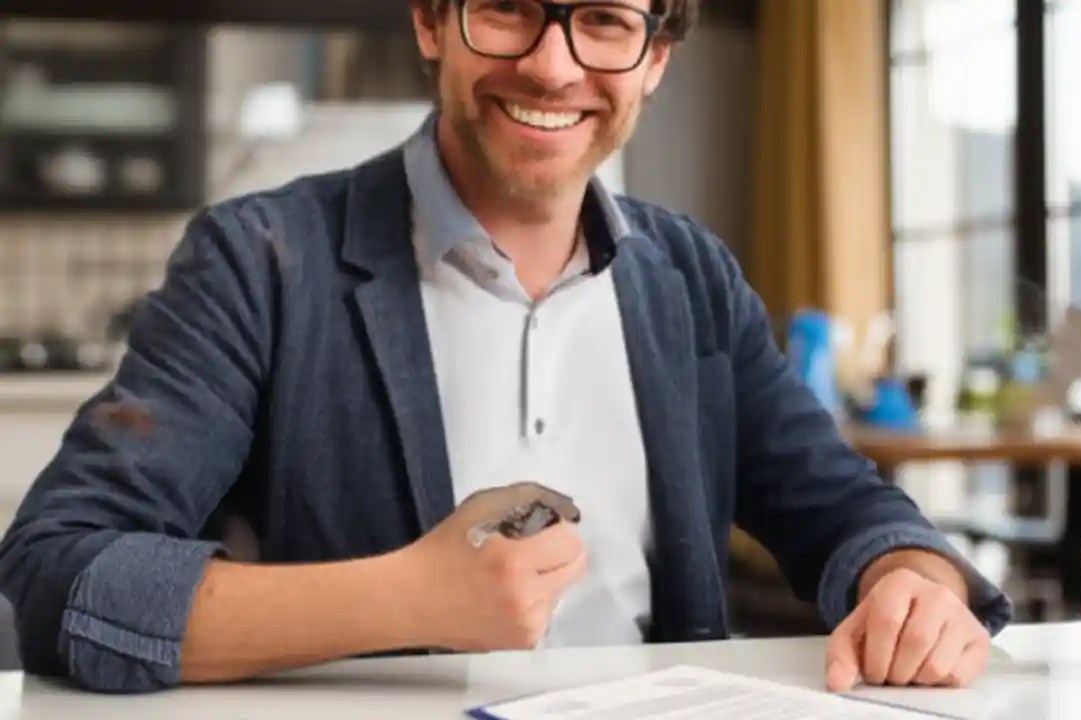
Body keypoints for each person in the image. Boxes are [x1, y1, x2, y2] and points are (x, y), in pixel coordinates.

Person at [0, 0, 1011, 694]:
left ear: (654, 57)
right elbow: (55, 577)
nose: (552, 64)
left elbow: (845, 509)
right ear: (432, 19)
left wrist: (909, 582)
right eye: (508, 9)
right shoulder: (261, 262)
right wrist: (402, 595)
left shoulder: (690, 276)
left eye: (605, 21)